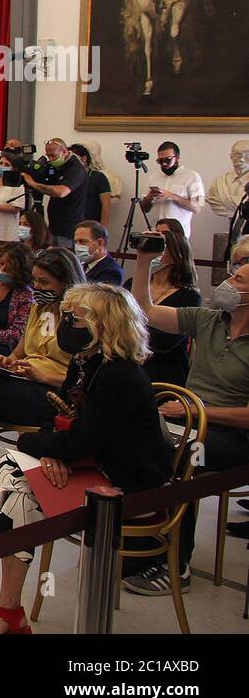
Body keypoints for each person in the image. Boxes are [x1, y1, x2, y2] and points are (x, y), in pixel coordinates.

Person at [0, 284, 172, 634]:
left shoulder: (121, 376)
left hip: (128, 481)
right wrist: (52, 449)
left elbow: (81, 439)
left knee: (18, 477)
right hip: (94, 463)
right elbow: (56, 416)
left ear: (103, 323)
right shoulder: (87, 363)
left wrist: (42, 446)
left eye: (73, 317)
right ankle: (4, 607)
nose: (64, 323)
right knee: (20, 481)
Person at [124, 235, 249, 596]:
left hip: (231, 437)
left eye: (239, 279)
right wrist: (145, 260)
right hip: (190, 420)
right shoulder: (208, 320)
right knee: (137, 437)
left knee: (182, 455)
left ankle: (176, 563)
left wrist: (198, 411)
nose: (229, 280)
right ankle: (140, 542)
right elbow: (146, 311)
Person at [0, 247, 86, 520]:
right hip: (19, 383)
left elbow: (81, 378)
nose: (37, 288)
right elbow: (19, 353)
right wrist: (5, 361)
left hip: (51, 395)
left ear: (67, 282)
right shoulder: (38, 308)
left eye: (45, 283)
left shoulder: (80, 318)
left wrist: (42, 375)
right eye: (35, 281)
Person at [125, 228, 201, 386]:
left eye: (160, 246)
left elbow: (165, 341)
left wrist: (127, 334)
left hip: (163, 366)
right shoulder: (132, 284)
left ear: (176, 255)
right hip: (129, 360)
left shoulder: (189, 296)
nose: (152, 251)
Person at [21, 138, 87, 248]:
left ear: (64, 152)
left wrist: (33, 183)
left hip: (68, 229)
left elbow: (61, 192)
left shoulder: (76, 168)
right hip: (54, 226)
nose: (50, 159)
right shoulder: (55, 166)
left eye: (53, 155)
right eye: (48, 156)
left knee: (62, 261)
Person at [140, 141, 205, 239]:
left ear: (177, 157)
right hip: (155, 232)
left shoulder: (192, 176)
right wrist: (149, 197)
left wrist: (172, 196)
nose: (164, 164)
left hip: (178, 235)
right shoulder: (153, 177)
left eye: (168, 160)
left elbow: (197, 208)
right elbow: (144, 208)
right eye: (160, 161)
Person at [71, 143, 112, 225]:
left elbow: (106, 206)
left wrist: (102, 228)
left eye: (72, 158)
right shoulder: (68, 177)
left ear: (84, 159)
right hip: (68, 227)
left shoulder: (98, 177)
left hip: (91, 226)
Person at [73, 220, 123, 285]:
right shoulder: (80, 265)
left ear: (100, 243)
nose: (77, 246)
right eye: (75, 242)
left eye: (82, 241)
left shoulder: (112, 272)